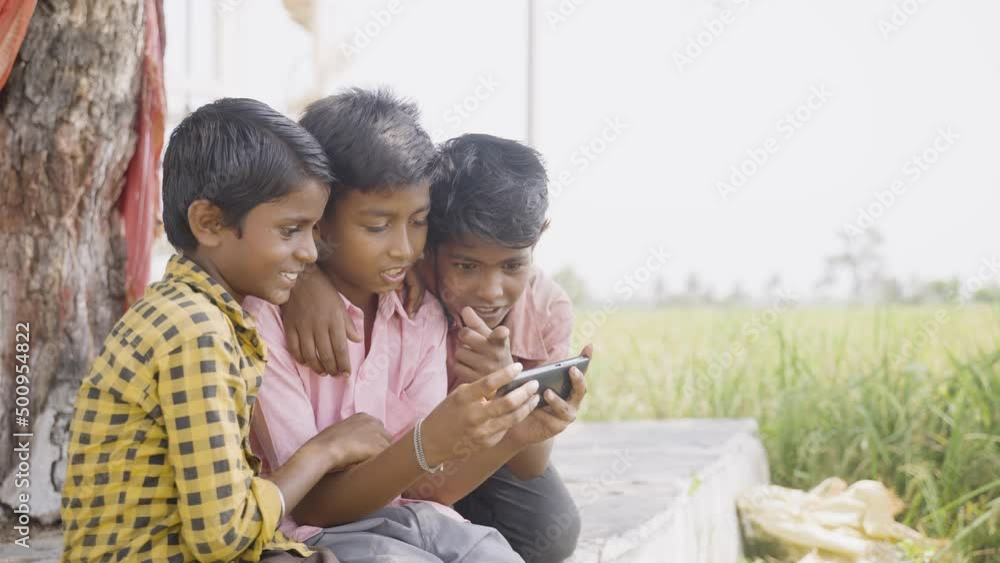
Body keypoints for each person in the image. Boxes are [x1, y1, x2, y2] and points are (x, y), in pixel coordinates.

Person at [246, 89, 586, 563]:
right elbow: (310, 504)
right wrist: (307, 274)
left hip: (410, 504)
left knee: (535, 535)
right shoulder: (268, 322)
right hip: (307, 529)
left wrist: (511, 430)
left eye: (418, 222)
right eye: (378, 226)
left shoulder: (416, 312)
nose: (404, 250)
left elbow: (427, 489)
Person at [60, 98, 372, 562]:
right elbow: (223, 536)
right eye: (290, 230)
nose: (309, 253)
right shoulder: (197, 332)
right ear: (209, 223)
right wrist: (324, 451)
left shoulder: (189, 311)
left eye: (312, 231)